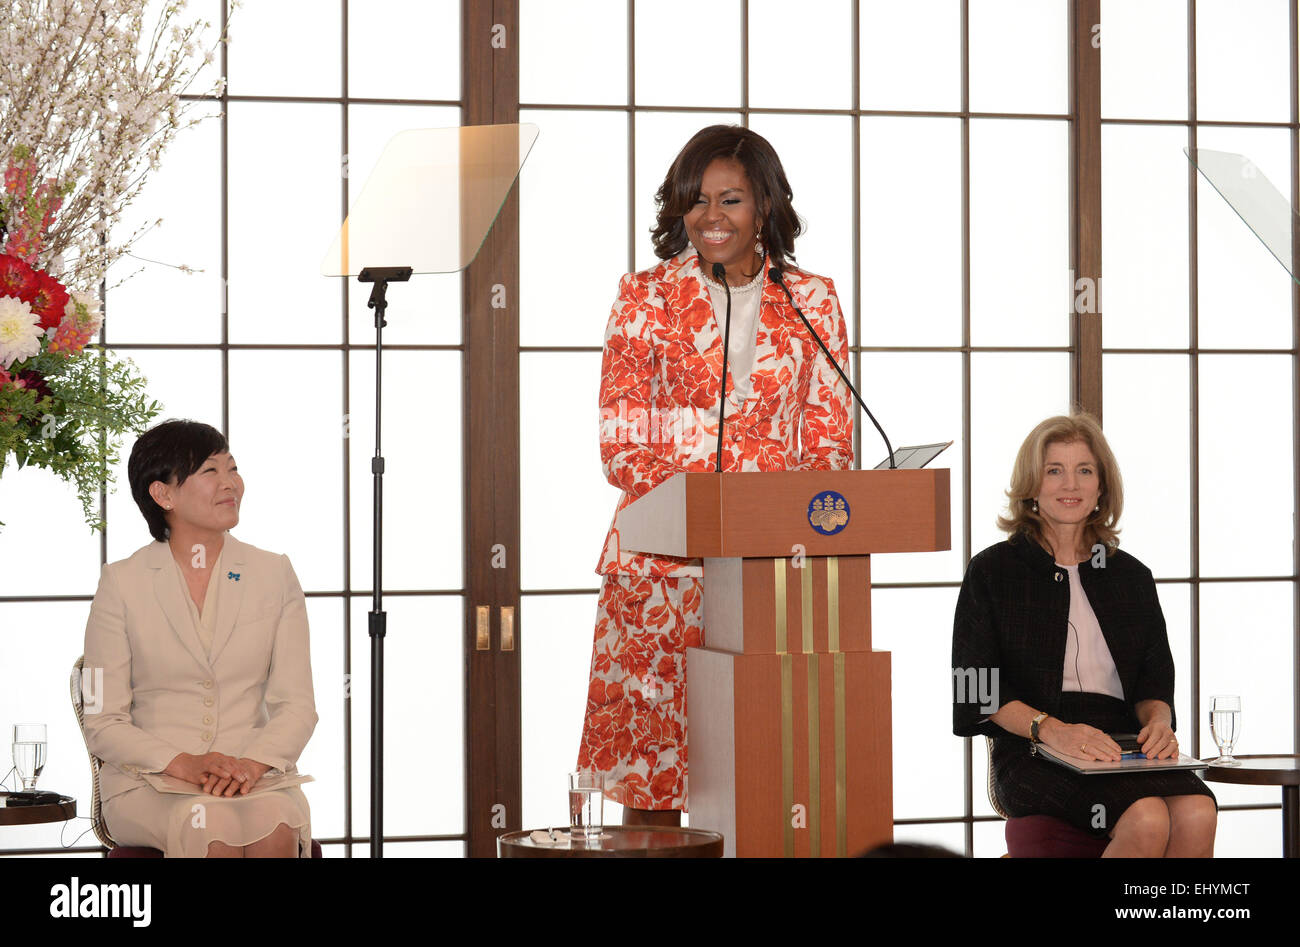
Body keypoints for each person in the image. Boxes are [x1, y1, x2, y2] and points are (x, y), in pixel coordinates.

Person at [577, 125, 854, 826]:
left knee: (764, 783)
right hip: (663, 574)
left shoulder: (812, 301)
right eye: (695, 201)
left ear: (764, 204)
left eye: (730, 199)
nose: (711, 217)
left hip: (772, 577)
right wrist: (729, 494)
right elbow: (624, 441)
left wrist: (764, 512)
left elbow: (829, 446)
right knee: (656, 793)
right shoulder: (644, 298)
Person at [951, 413, 1216, 857]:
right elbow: (976, 691)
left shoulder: (1130, 576)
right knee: (1147, 816)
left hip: (1120, 744)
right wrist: (1050, 729)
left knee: (1197, 811)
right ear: (1032, 486)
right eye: (1054, 470)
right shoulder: (994, 571)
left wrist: (1159, 723)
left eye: (1084, 471)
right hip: (1033, 746)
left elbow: (1154, 683)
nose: (1069, 484)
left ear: (1100, 487)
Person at [82, 419, 317, 857]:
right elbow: (102, 721)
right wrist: (184, 764)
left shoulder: (273, 574)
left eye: (233, 468)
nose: (231, 484)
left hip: (255, 776)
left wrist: (250, 766)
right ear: (163, 494)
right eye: (210, 472)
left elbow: (298, 705)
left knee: (275, 823)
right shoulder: (121, 584)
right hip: (149, 782)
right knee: (213, 822)